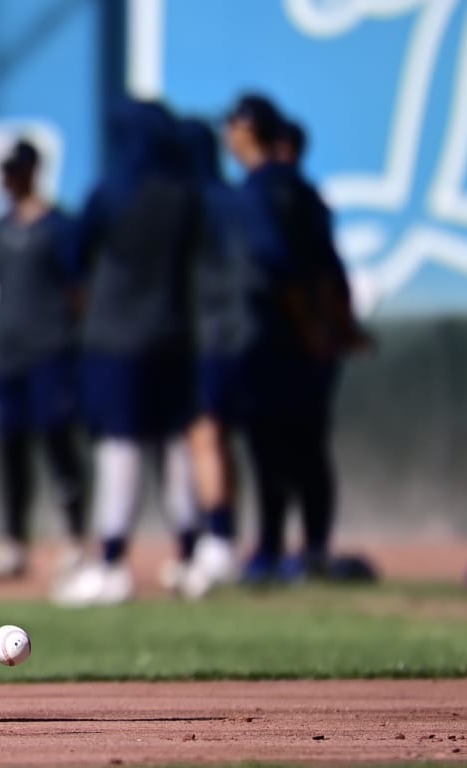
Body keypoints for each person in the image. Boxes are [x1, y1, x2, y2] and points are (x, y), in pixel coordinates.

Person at [56, 100, 200, 607]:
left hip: (114, 339)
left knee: (121, 447)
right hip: (175, 334)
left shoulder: (110, 191)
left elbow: (72, 258)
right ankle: (191, 559)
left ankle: (112, 563)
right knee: (176, 445)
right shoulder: (186, 193)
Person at [225, 95, 364, 583]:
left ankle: (270, 551)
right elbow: (330, 266)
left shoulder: (261, 191)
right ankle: (314, 549)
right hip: (305, 339)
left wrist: (312, 326)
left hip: (272, 338)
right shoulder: (303, 191)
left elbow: (280, 267)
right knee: (306, 448)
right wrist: (339, 326)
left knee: (273, 450)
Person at [0, 138, 87, 582]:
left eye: (14, 170)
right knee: (11, 451)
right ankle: (14, 542)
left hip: (51, 353)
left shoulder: (60, 226)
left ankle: (76, 538)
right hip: (9, 355)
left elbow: (78, 289)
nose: (7, 180)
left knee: (59, 446)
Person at [177, 116, 253, 597]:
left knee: (205, 435)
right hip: (248, 329)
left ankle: (220, 540)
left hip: (209, 332)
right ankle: (224, 538)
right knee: (221, 438)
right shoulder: (237, 197)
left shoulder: (191, 203)